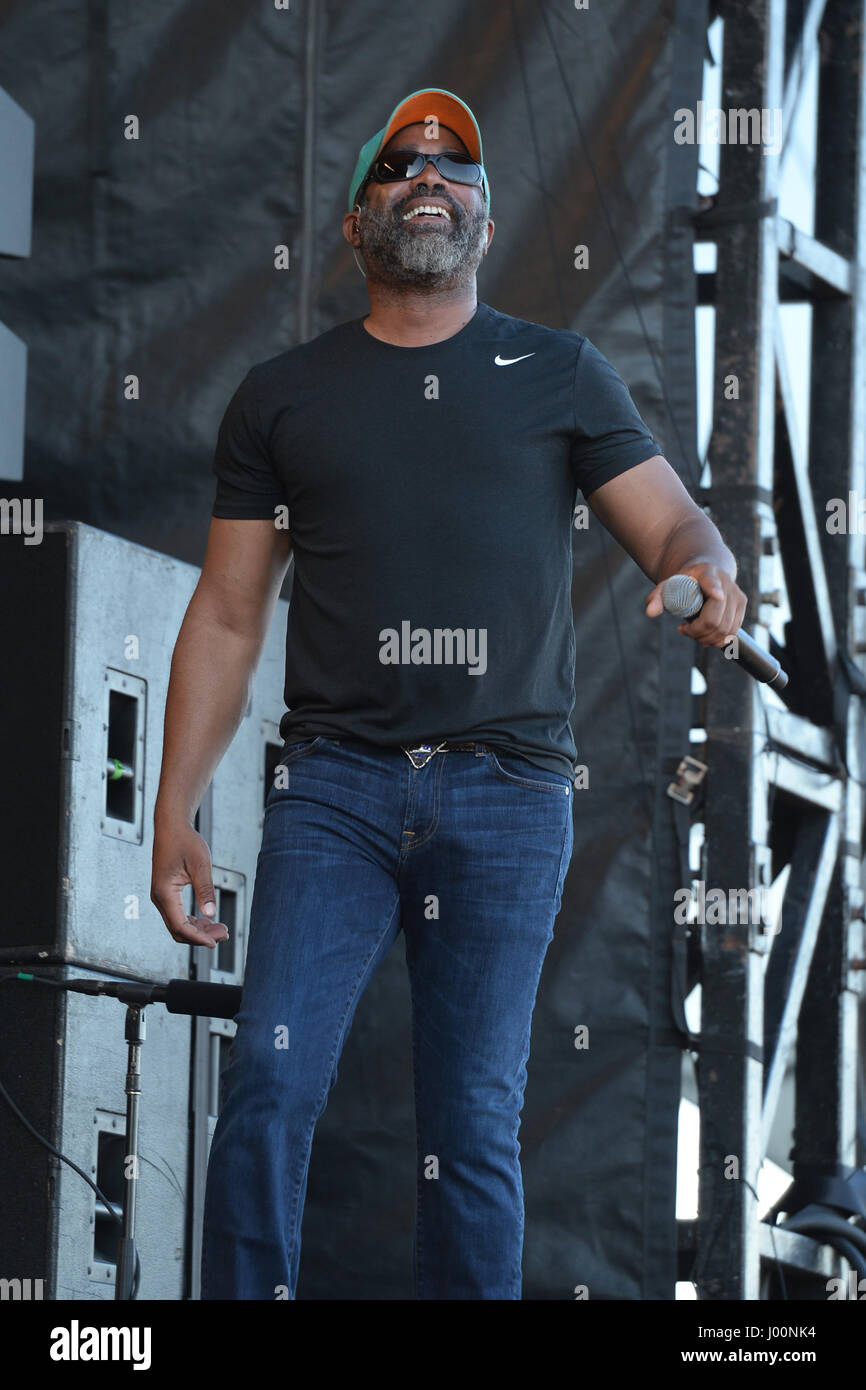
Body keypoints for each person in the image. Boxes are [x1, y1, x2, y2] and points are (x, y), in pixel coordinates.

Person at [150, 87, 746, 1300]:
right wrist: (175, 811)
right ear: (357, 222)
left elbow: (676, 523)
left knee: (468, 1128)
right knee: (265, 1088)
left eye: (454, 162)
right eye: (401, 163)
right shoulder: (280, 396)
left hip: (509, 795)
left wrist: (709, 568)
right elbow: (225, 612)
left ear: (478, 212)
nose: (430, 171)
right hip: (333, 793)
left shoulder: (560, 373)